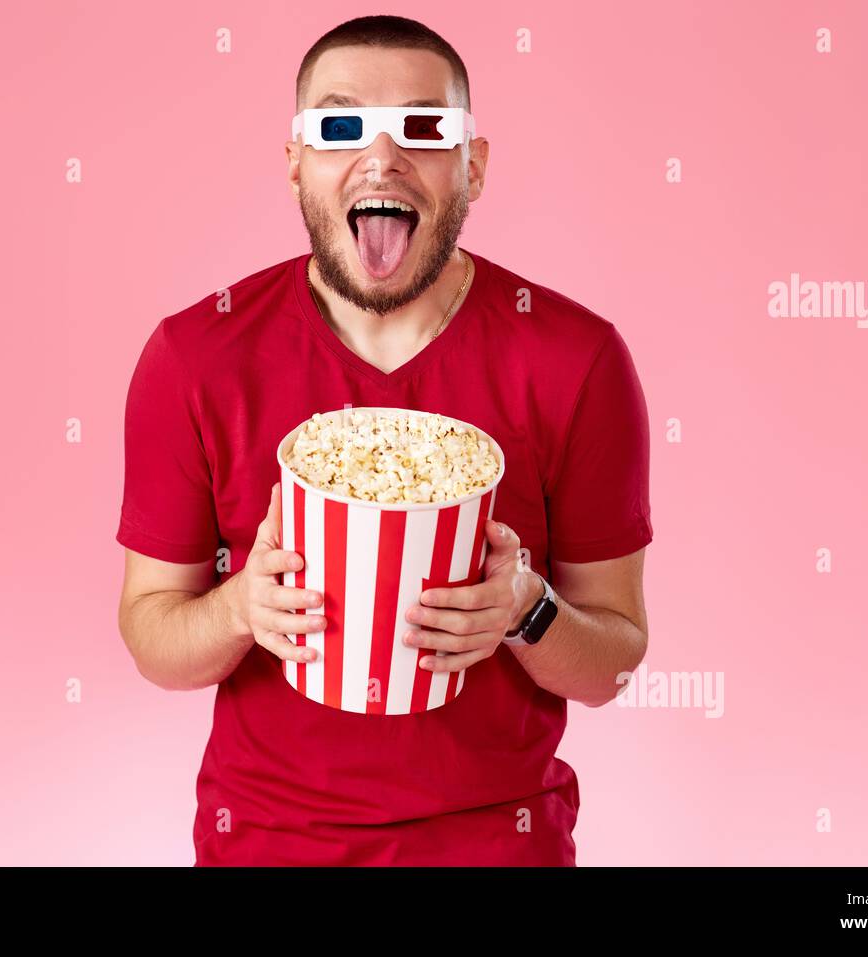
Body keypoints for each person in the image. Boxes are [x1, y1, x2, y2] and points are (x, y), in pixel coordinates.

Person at [116, 15, 653, 866]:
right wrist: (238, 607)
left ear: (472, 165)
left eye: (424, 128)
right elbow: (152, 634)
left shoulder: (576, 359)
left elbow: (614, 662)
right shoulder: (195, 357)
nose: (381, 159)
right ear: (294, 163)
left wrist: (527, 607)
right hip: (265, 844)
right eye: (338, 127)